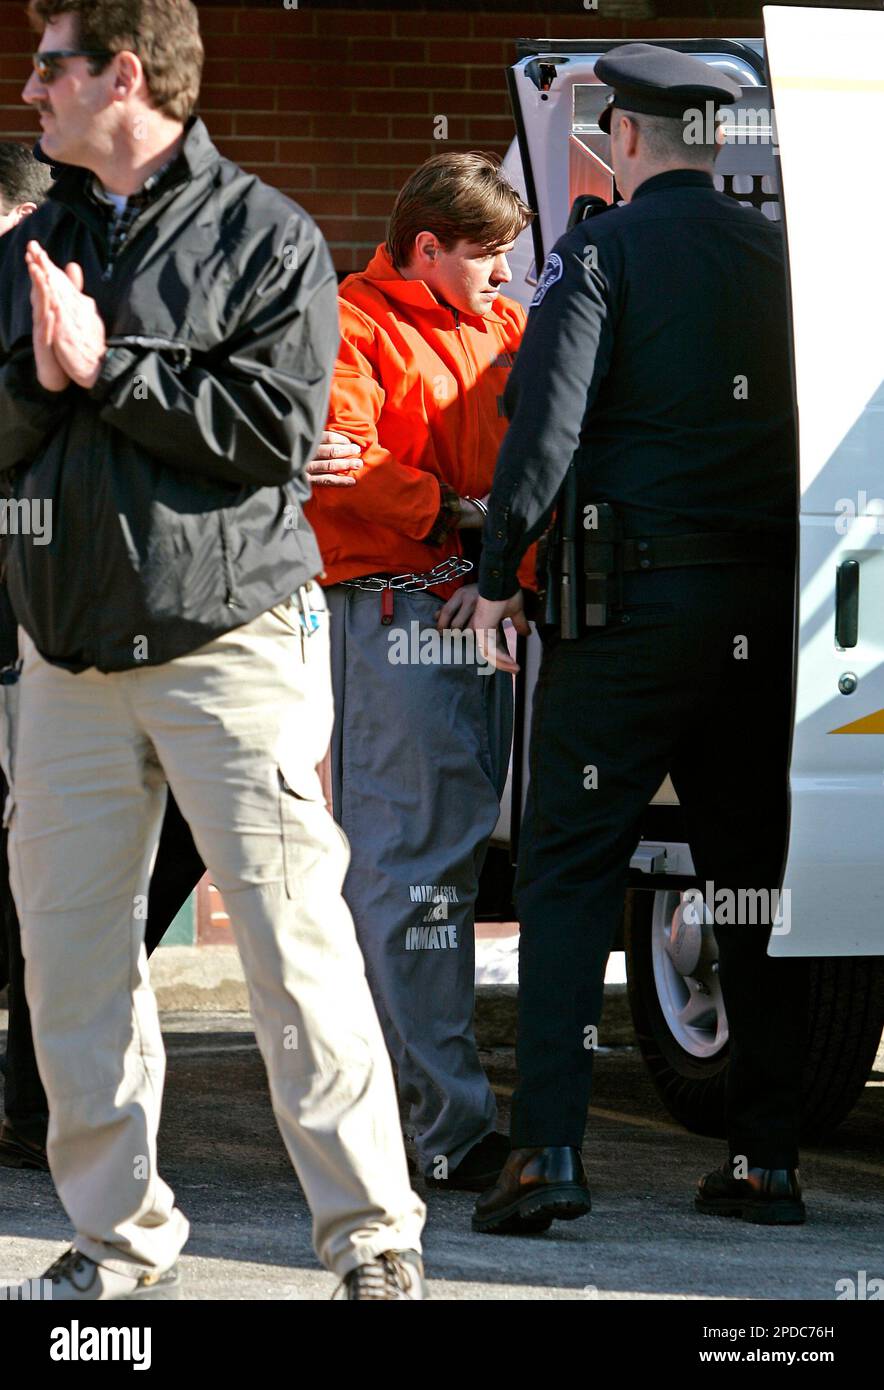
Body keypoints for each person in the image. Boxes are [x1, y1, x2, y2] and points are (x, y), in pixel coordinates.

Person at [1, 0, 425, 1300]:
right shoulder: (36, 240)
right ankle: (121, 1248)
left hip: (227, 647)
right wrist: (40, 374)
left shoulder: (268, 238)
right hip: (66, 664)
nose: (28, 87)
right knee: (72, 962)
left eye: (48, 62)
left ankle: (373, 1246)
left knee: (295, 945)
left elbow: (276, 428)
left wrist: (107, 364)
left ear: (121, 74)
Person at [470, 43, 809, 1234]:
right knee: (753, 882)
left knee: (565, 875)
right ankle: (766, 1160)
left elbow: (543, 430)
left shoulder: (600, 250)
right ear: (716, 143)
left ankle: (545, 1157)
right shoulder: (789, 261)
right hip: (765, 621)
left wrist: (496, 575)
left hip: (624, 618)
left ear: (620, 139)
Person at [303, 152, 534, 1192]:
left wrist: (500, 560)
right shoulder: (348, 321)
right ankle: (443, 1125)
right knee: (409, 874)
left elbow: (541, 454)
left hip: (476, 612)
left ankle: (432, 1112)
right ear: (425, 246)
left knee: (432, 866)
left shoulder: (500, 326)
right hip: (397, 613)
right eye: (487, 255)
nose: (503, 272)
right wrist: (457, 518)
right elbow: (341, 459)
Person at [0, 141, 207, 1177]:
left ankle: (40, 1103)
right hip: (43, 644)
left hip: (76, 635)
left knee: (78, 879)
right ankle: (40, 1105)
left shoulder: (109, 302)